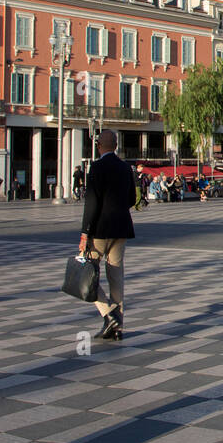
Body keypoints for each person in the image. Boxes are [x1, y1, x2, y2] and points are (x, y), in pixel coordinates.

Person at [80, 130, 137, 341]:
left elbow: (92, 202)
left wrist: (85, 231)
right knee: (116, 276)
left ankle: (108, 314)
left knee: (89, 276)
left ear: (99, 146)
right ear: (115, 145)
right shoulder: (125, 167)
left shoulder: (96, 167)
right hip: (121, 229)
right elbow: (132, 198)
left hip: (100, 232)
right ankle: (117, 327)